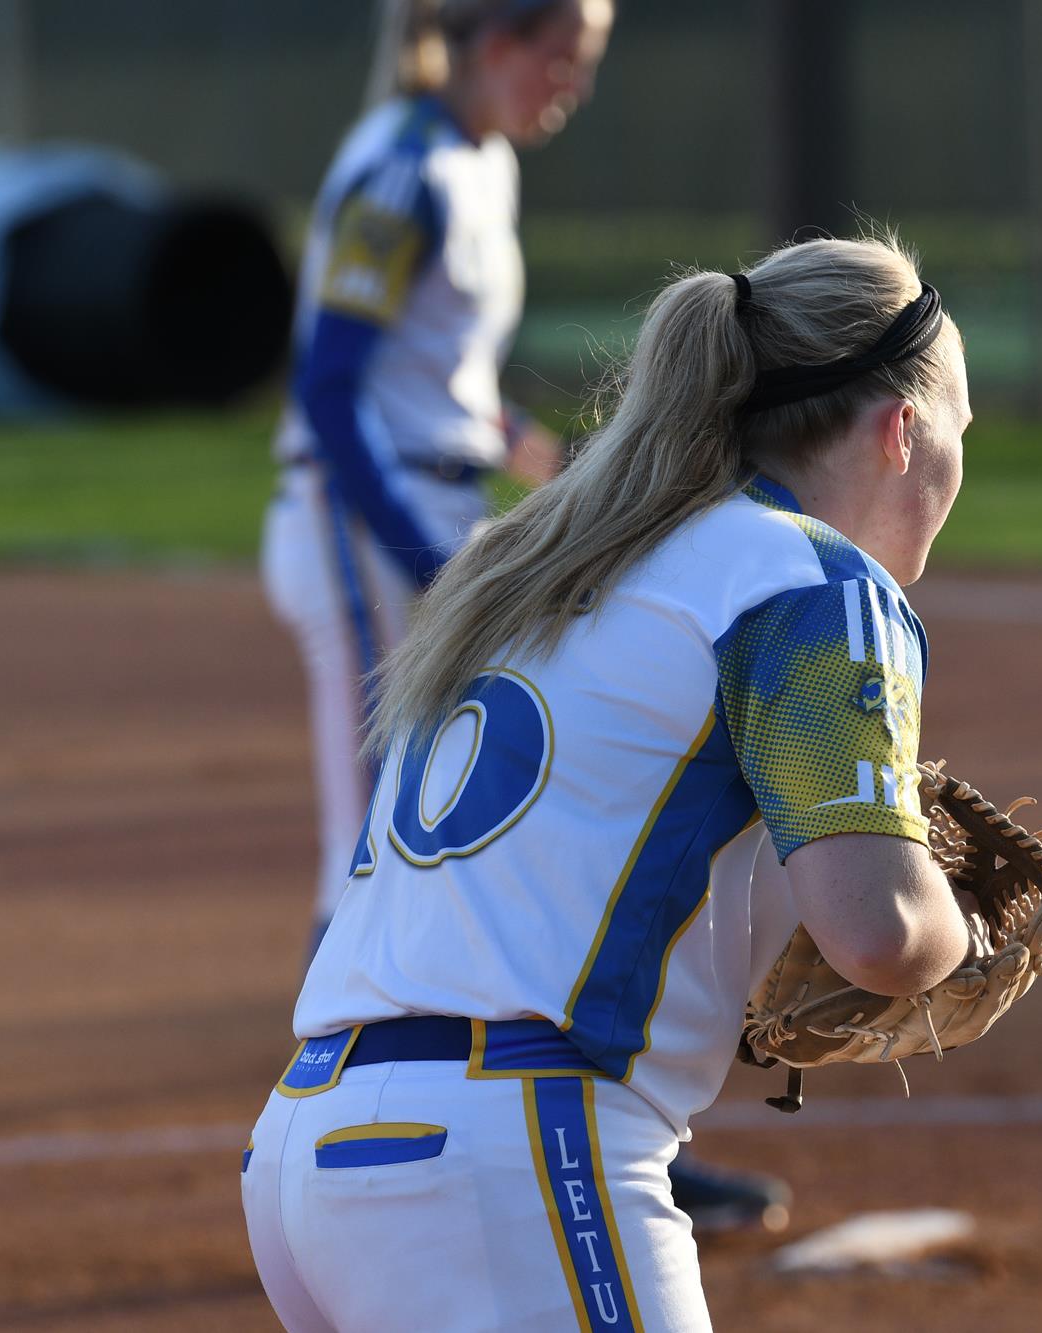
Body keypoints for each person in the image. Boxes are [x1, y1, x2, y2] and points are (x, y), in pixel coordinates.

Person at [241, 234, 973, 1332]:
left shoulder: (546, 552)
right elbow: (878, 933)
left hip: (308, 1147)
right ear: (900, 429)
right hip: (509, 1152)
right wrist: (950, 930)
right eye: (962, 427)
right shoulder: (816, 581)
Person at [261, 0, 785, 1240]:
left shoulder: (473, 164)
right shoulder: (401, 172)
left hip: (431, 518)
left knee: (473, 826)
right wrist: (436, 572)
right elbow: (335, 394)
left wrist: (535, 459)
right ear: (496, 39)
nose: (573, 84)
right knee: (381, 829)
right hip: (363, 527)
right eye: (565, 54)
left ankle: (607, 1132)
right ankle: (317, 1147)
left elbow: (431, 375)